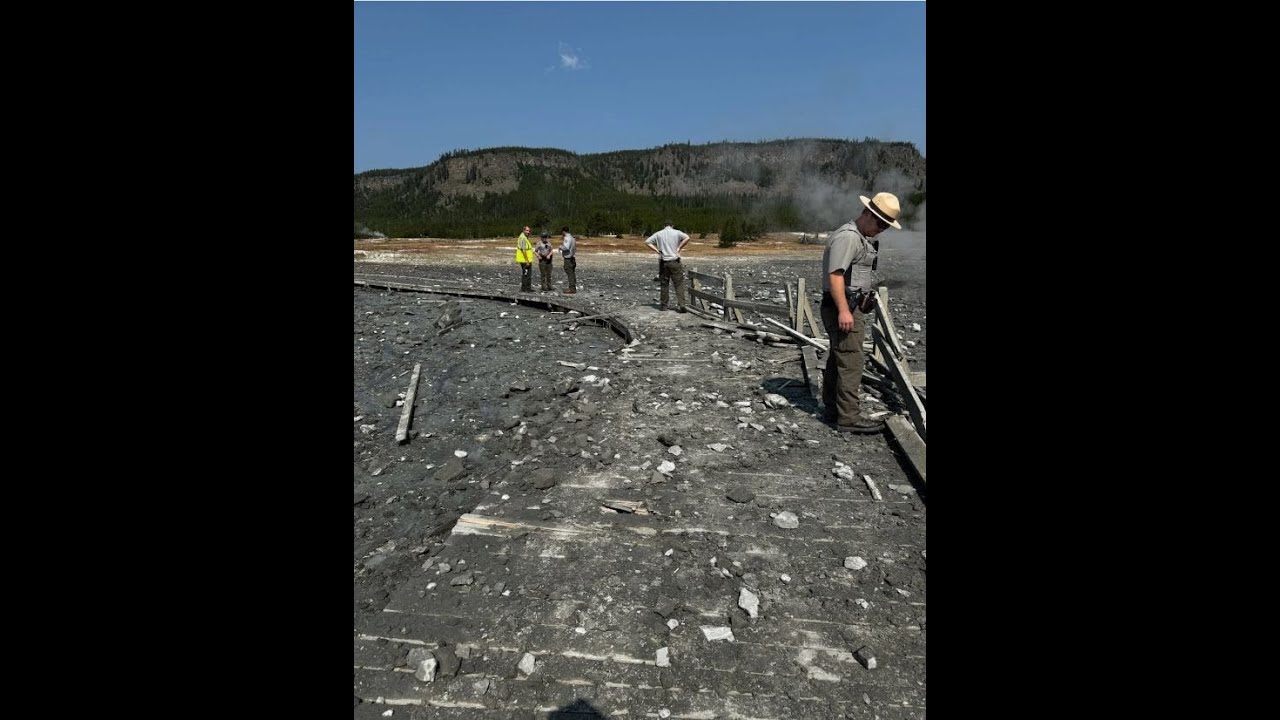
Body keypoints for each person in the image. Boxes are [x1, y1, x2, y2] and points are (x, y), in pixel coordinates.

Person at [819, 192, 901, 433]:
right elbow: (834, 275)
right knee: (852, 360)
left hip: (848, 305)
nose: (882, 229)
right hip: (843, 307)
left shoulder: (858, 237)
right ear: (867, 214)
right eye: (880, 223)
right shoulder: (849, 238)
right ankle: (849, 418)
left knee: (840, 358)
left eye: (886, 226)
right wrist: (844, 310)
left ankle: (834, 409)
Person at [645, 219, 690, 312]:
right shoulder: (677, 232)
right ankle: (681, 304)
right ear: (672, 225)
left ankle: (664, 306)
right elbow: (687, 238)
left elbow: (647, 242)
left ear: (664, 225)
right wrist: (679, 248)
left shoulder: (658, 234)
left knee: (664, 284)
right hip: (674, 260)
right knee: (678, 284)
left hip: (663, 261)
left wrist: (656, 250)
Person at [514, 225, 535, 292]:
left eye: (529, 231)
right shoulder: (522, 238)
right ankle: (524, 288)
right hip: (524, 260)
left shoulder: (524, 237)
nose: (528, 232)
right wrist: (527, 260)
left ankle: (528, 288)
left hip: (527, 259)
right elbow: (523, 250)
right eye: (527, 230)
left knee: (528, 274)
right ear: (523, 230)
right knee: (526, 274)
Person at [559, 226, 577, 294]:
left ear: (563, 231)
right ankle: (573, 286)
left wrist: (560, 247)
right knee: (572, 272)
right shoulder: (573, 238)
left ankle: (572, 288)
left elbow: (566, 247)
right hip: (572, 257)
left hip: (568, 258)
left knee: (570, 273)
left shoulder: (567, 238)